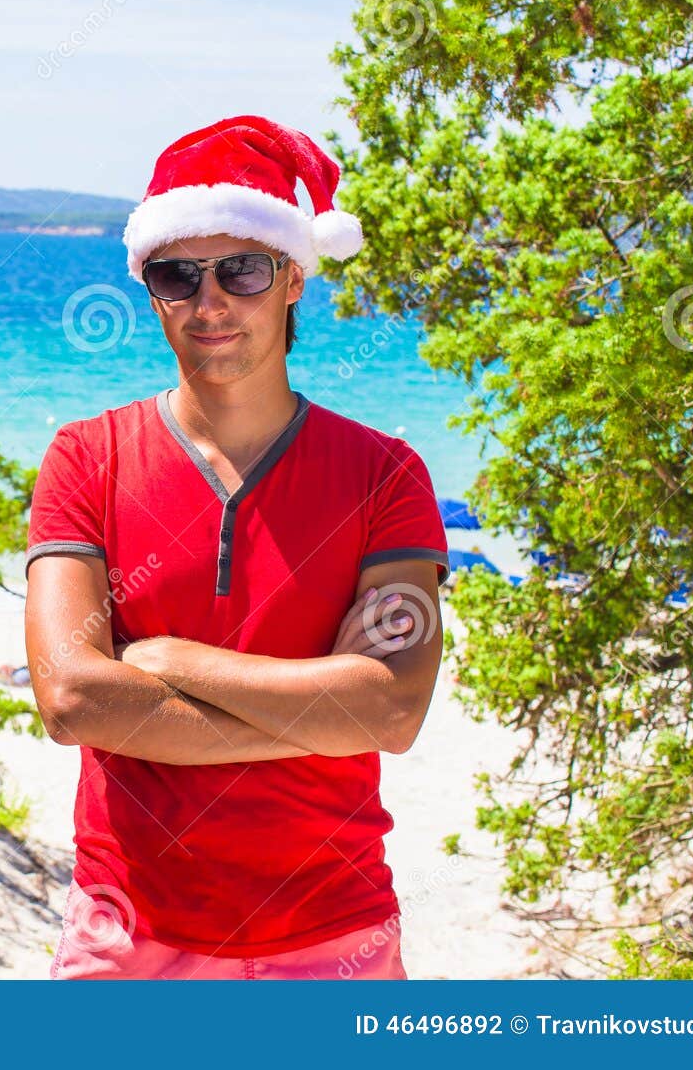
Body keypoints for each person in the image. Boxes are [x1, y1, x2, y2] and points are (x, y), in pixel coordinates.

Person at [25, 115, 449, 980]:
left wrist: (170, 658)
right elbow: (71, 697)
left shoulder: (385, 476)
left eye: (242, 269)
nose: (209, 302)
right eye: (178, 275)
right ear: (151, 291)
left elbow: (394, 710)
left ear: (293, 278)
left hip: (335, 941)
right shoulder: (86, 458)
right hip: (124, 940)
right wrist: (318, 718)